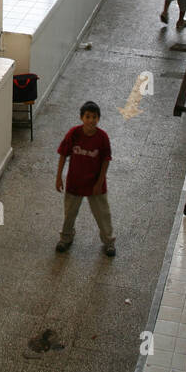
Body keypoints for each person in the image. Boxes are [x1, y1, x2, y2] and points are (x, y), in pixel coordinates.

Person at [54, 101, 115, 257]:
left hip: (95, 185)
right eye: (87, 116)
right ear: (82, 118)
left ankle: (109, 241)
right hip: (75, 182)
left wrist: (100, 182)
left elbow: (106, 160)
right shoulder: (74, 133)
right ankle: (65, 238)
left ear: (98, 119)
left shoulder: (102, 138)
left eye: (94, 117)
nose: (91, 120)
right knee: (69, 213)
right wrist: (59, 177)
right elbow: (63, 154)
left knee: (103, 214)